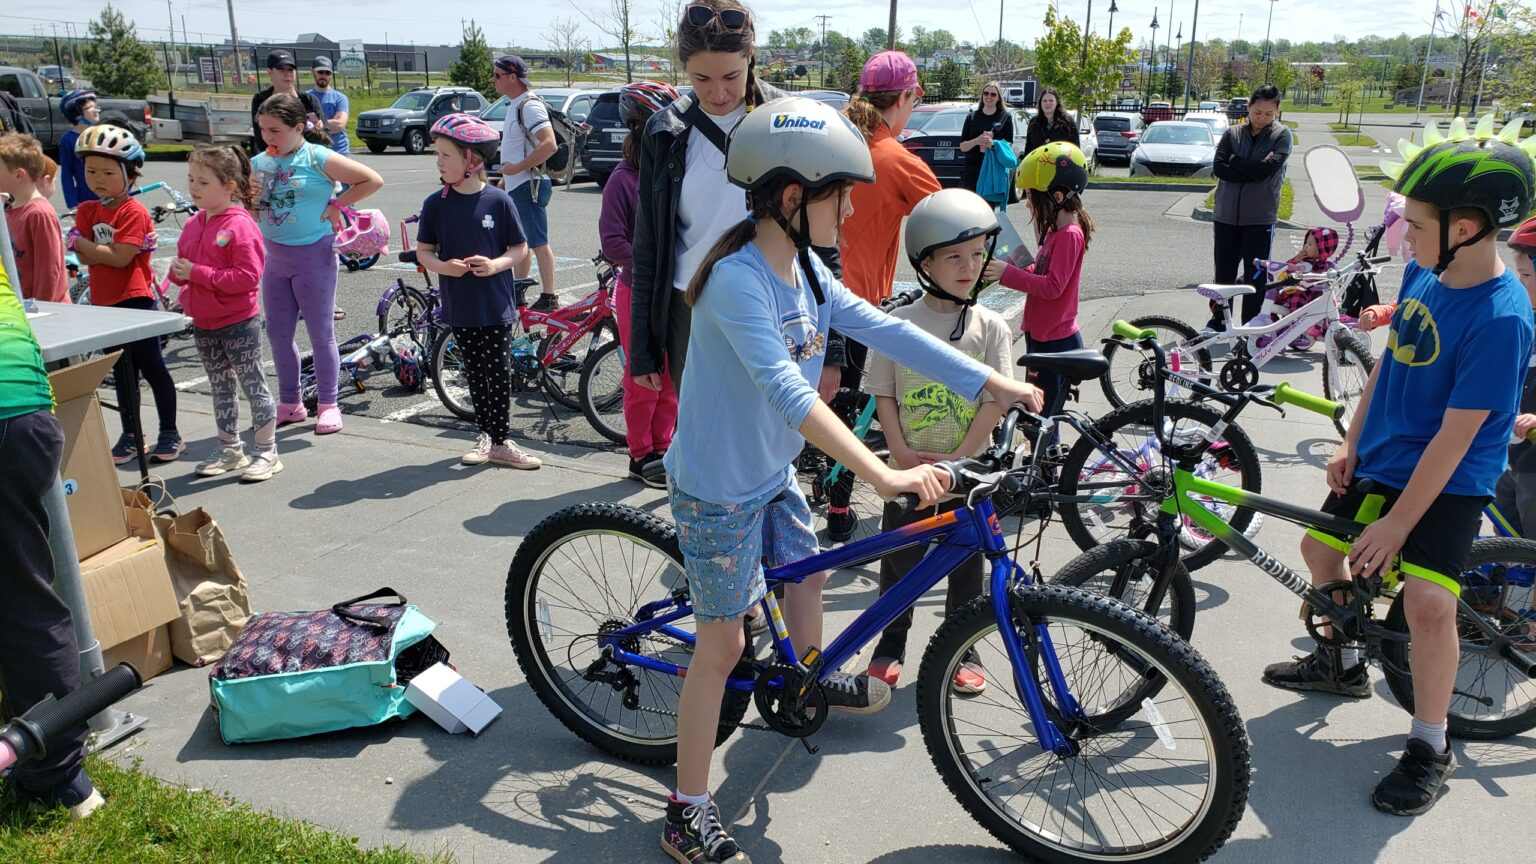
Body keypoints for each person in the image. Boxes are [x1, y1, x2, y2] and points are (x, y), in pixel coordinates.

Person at [656, 96, 1043, 864]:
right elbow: (790, 393)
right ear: (795, 197)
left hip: (768, 474)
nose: (855, 207)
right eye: (843, 194)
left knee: (808, 580)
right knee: (724, 644)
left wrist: (988, 383)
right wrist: (880, 473)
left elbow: (888, 328)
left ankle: (806, 677)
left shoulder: (802, 267)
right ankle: (686, 807)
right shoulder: (738, 281)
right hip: (716, 487)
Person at [1260, 119, 1535, 816]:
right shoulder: (1423, 271)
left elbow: (1455, 435)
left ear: (1467, 227)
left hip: (1451, 476)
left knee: (1429, 604)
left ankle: (1429, 744)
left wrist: (1400, 524)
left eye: (1415, 223)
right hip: (1384, 454)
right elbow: (1387, 363)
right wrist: (1352, 440)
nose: (1403, 236)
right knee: (1321, 548)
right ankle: (1342, 664)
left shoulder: (1503, 317)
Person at [629, 0, 813, 490]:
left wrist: (831, 346)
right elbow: (649, 243)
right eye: (700, 79)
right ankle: (711, 544)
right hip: (690, 306)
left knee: (772, 429)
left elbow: (821, 228)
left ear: (752, 56)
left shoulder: (787, 119)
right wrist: (644, 351)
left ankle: (770, 542)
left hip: (775, 301)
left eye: (730, 76)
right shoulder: (664, 131)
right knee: (704, 433)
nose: (717, 92)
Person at [864, 189, 1015, 693]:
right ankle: (890, 643)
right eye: (954, 256)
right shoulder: (897, 325)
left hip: (967, 475)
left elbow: (997, 401)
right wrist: (902, 454)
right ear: (924, 262)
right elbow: (884, 395)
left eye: (977, 254)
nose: (969, 266)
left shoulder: (992, 326)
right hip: (910, 470)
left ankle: (961, 650)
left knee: (968, 570)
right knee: (900, 563)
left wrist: (961, 458)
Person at [0, 264, 105, 823]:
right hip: (26, 415)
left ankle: (57, 774)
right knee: (27, 598)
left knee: (22, 602)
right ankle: (60, 774)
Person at [415, 113, 543, 470]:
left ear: (472, 161)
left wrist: (495, 265)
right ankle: (487, 435)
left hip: (496, 304)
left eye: (446, 155)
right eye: (437, 154)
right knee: (474, 370)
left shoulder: (499, 202)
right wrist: (444, 266)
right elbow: (425, 251)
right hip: (461, 304)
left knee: (499, 371)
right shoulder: (435, 204)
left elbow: (519, 249)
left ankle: (501, 439)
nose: (438, 162)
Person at [252, 94, 383, 436]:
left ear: (299, 128)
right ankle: (291, 403)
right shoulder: (259, 163)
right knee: (278, 335)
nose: (268, 137)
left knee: (320, 333)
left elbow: (371, 179)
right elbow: (256, 211)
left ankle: (328, 404)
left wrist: (337, 204)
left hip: (314, 254)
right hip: (275, 258)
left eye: (275, 130)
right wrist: (248, 198)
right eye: (263, 130)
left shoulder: (316, 156)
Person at [67, 123, 183, 463]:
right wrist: (93, 250)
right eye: (91, 171)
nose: (98, 179)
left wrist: (84, 244)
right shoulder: (88, 210)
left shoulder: (133, 211)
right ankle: (131, 434)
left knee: (152, 366)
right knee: (122, 372)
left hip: (136, 301)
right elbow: (90, 256)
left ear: (131, 175)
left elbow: (119, 258)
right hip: (104, 301)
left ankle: (169, 432)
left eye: (107, 172)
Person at [167, 145, 280, 482]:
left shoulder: (240, 226)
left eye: (203, 182)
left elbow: (247, 278)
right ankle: (230, 448)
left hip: (238, 321)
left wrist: (196, 273)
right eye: (191, 180)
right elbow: (181, 268)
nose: (194, 188)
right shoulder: (193, 223)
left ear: (230, 186)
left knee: (252, 384)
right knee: (220, 387)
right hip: (203, 321)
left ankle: (267, 452)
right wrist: (178, 273)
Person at [600, 80, 682, 488]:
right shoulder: (623, 180)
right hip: (638, 291)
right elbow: (612, 242)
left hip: (673, 294)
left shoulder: (670, 176)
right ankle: (640, 454)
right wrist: (655, 262)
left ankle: (663, 447)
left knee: (669, 377)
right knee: (642, 379)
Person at [983, 141, 1093, 418]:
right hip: (1042, 333)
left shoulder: (1069, 235)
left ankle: (1045, 461)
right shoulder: (1056, 231)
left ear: (1056, 197)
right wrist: (1015, 264)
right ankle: (1042, 457)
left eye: (1032, 196)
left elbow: (1053, 287)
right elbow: (1040, 273)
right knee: (1039, 411)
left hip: (1055, 340)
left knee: (1042, 415)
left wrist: (1007, 274)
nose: (1029, 202)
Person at [1209, 83, 1292, 330]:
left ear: (1277, 110)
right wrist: (1249, 168)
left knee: (1255, 275)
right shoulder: (1232, 134)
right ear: (1249, 107)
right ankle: (1219, 322)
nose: (1262, 118)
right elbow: (1218, 168)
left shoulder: (1281, 136)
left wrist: (1235, 161)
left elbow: (1266, 170)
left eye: (1269, 114)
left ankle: (1252, 324)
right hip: (1225, 216)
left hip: (1260, 219)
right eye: (1257, 112)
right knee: (1223, 273)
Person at [492, 55, 559, 312]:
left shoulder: (529, 105)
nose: (493, 79)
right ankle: (518, 291)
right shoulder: (515, 104)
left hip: (528, 184)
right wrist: (504, 181)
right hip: (517, 183)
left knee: (538, 242)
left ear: (512, 77)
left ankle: (549, 296)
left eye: (497, 75)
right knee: (521, 243)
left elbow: (549, 143)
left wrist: (517, 169)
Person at [1244, 226, 1339, 351]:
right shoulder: (1302, 259)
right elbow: (1287, 266)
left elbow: (1326, 276)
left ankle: (1296, 328)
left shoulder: (1325, 266)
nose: (1305, 247)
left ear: (1323, 249)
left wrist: (1304, 272)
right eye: (1306, 243)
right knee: (1271, 299)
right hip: (1291, 290)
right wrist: (1295, 260)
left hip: (1310, 294)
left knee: (1297, 298)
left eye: (1310, 244)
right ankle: (1273, 326)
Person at [1, 133, 69, 303]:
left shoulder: (39, 213)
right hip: (18, 308)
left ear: (19, 175)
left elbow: (48, 270)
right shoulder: (9, 209)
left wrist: (40, 308)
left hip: (43, 312)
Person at [249, 50, 323, 154]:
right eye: (281, 70)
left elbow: (325, 137)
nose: (287, 74)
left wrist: (315, 130)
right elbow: (261, 141)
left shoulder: (309, 100)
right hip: (275, 159)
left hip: (307, 158)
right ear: (270, 72)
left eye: (290, 70)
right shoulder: (261, 100)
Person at [960, 81, 1018, 197]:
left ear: (998, 98)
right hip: (973, 170)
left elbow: (1009, 145)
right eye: (986, 93)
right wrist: (977, 141)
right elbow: (962, 147)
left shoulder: (1005, 117)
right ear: (982, 96)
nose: (989, 97)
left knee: (988, 207)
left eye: (993, 94)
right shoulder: (971, 117)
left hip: (993, 168)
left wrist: (993, 144)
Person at [57, 89, 99, 209]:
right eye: (90, 107)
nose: (96, 110)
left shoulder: (103, 134)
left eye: (96, 106)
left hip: (110, 199)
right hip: (86, 201)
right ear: (76, 113)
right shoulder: (68, 140)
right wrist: (72, 205)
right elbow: (67, 175)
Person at [306, 55, 351, 155]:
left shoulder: (340, 98)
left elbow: (339, 124)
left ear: (331, 75)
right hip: (313, 152)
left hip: (339, 151)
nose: (324, 75)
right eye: (320, 72)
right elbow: (301, 126)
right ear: (312, 71)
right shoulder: (305, 98)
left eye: (327, 72)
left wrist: (316, 123)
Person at [1022, 87, 1080, 157]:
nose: (1048, 103)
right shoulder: (1034, 122)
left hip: (1061, 165)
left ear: (1057, 102)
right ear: (1040, 103)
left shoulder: (1067, 121)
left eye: (1051, 100)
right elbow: (1028, 148)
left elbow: (1076, 147)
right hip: (1038, 164)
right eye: (1045, 101)